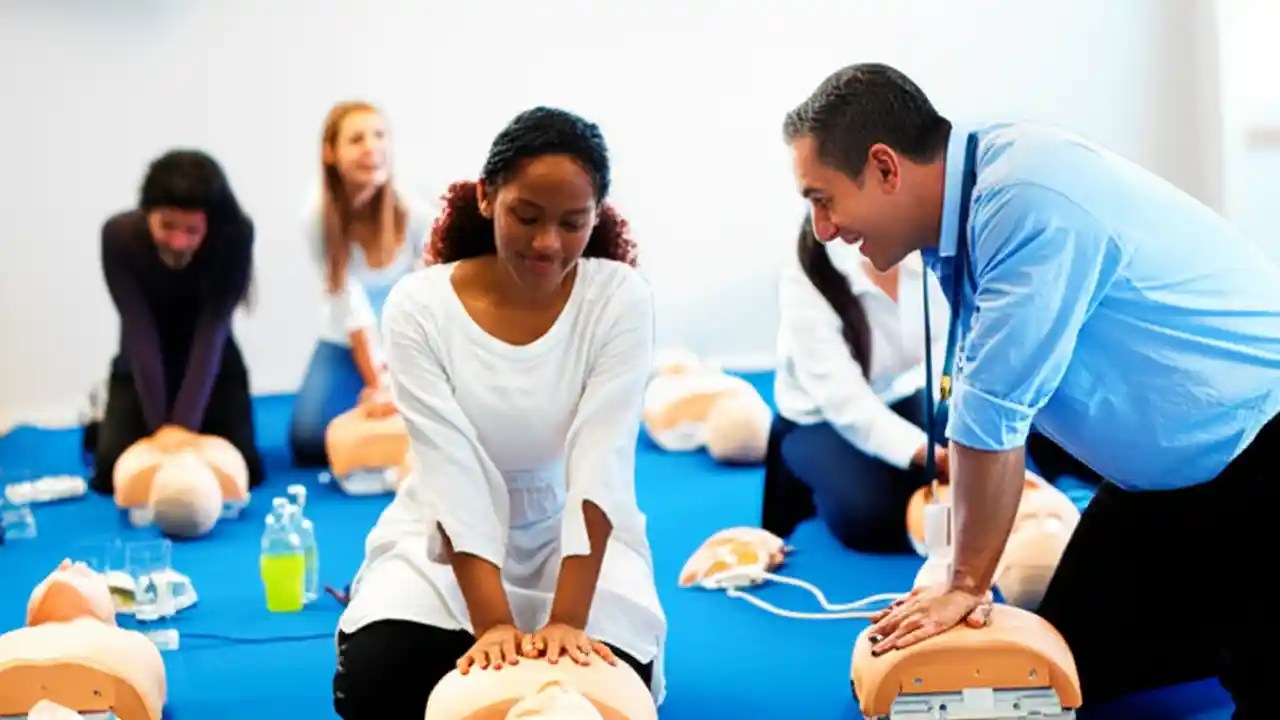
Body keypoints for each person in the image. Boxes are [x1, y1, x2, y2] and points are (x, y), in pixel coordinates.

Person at [783, 63, 1280, 715]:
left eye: (823, 199)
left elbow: (991, 412)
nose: (821, 228)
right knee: (1060, 670)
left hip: (1261, 451)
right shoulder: (967, 192)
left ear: (884, 167)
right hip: (1169, 480)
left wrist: (965, 583)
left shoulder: (1027, 201)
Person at [331, 106, 667, 720]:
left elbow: (602, 463)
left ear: (599, 215)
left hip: (577, 534)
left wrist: (567, 621)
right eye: (527, 216)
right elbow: (451, 473)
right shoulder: (419, 306)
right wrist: (493, 629)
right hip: (446, 534)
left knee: (610, 691)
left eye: (573, 223)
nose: (548, 243)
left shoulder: (620, 299)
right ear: (487, 198)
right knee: (377, 683)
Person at [762, 213, 951, 552]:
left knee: (982, 458)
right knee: (870, 518)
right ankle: (806, 481)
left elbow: (949, 352)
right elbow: (843, 400)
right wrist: (930, 455)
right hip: (818, 416)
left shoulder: (928, 250)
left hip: (894, 394)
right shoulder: (808, 268)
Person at [93, 150, 264, 493]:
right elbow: (138, 327)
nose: (178, 242)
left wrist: (182, 427)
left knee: (246, 471)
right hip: (140, 365)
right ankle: (101, 422)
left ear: (210, 225)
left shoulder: (235, 236)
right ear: (147, 215)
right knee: (110, 474)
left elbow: (212, 331)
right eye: (166, 225)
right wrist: (163, 433)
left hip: (212, 366)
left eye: (191, 230)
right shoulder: (118, 237)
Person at [288, 100, 431, 467]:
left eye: (379, 135)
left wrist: (400, 377)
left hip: (408, 342)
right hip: (346, 342)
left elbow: (430, 299)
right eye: (356, 139)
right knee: (308, 441)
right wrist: (379, 381)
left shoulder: (413, 213)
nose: (372, 147)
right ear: (330, 153)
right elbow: (350, 308)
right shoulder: (316, 218)